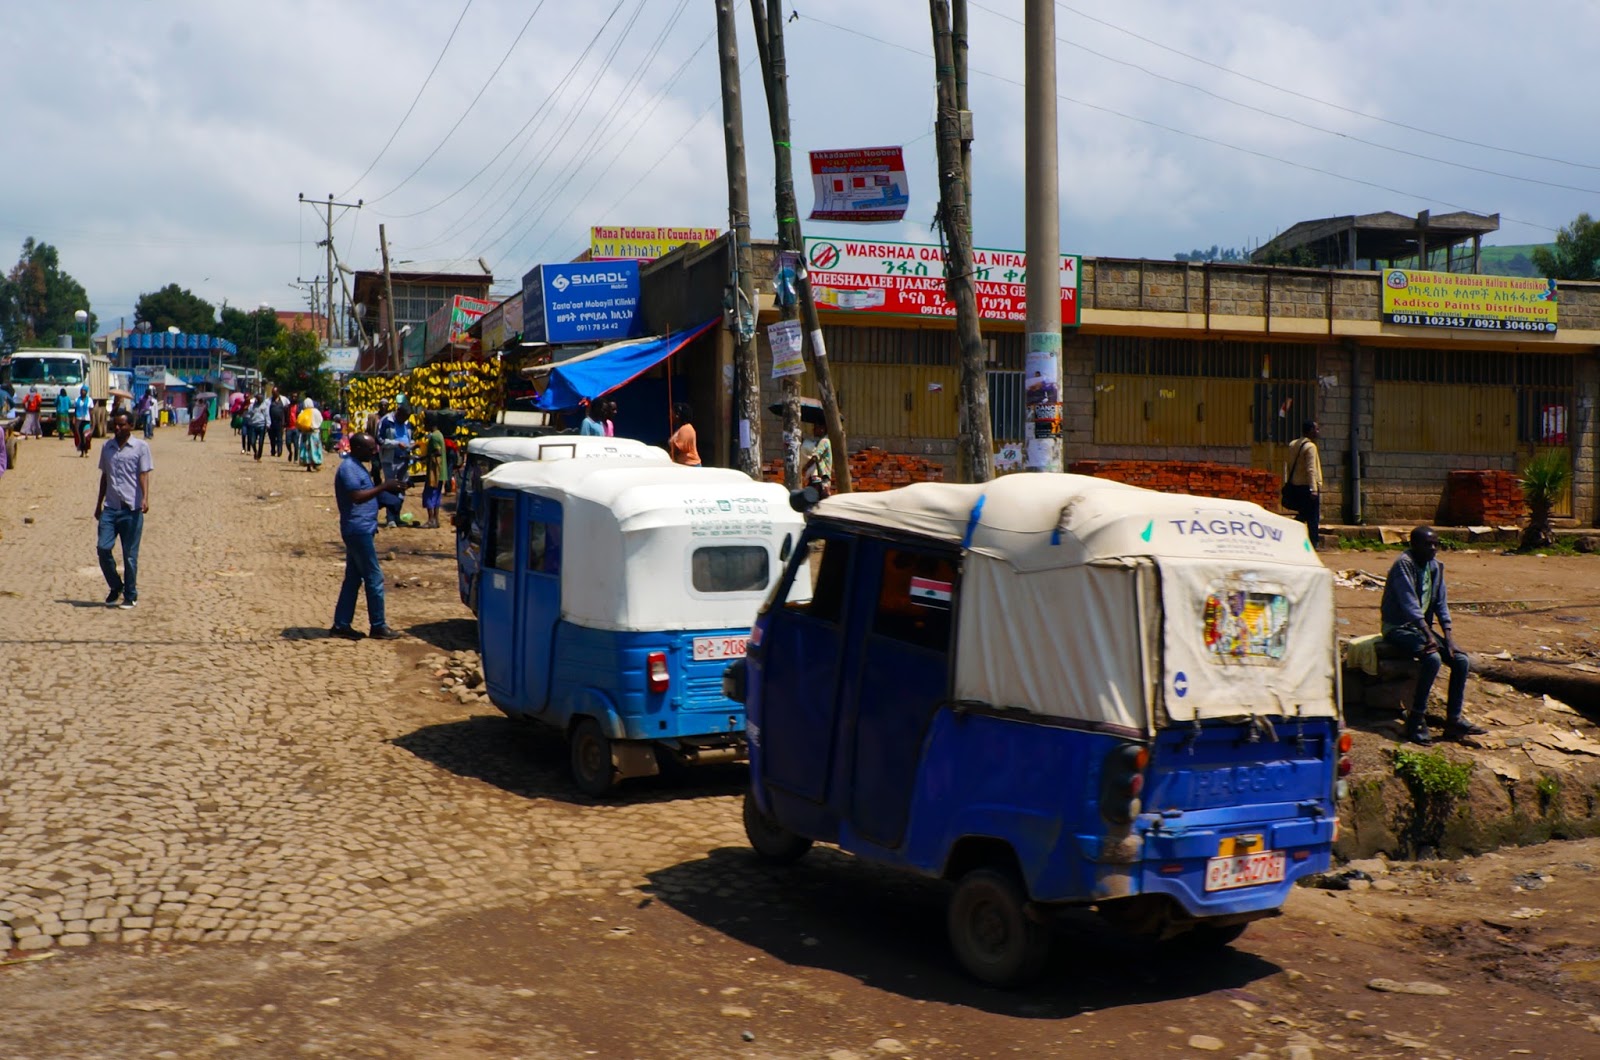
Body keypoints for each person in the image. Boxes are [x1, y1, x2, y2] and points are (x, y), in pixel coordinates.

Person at [1380, 526, 1486, 746]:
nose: (1433, 548)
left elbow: (1440, 603)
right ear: (1414, 545)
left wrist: (1448, 637)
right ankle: (1416, 719)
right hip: (1398, 627)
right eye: (1427, 544)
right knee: (1432, 659)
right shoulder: (1404, 565)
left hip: (1421, 629)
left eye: (1435, 544)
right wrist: (1428, 636)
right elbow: (1410, 605)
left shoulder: (1435, 567)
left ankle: (1453, 720)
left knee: (1460, 660)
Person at [331, 432, 404, 641]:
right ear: (358, 448)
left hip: (362, 528)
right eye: (371, 449)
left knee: (353, 579)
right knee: (374, 577)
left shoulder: (358, 466)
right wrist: (383, 487)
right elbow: (356, 496)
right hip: (358, 530)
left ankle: (341, 624)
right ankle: (378, 626)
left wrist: (386, 496)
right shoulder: (348, 468)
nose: (375, 451)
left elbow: (366, 494)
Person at [95, 410, 153, 610]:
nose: (118, 428)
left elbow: (144, 475)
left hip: (132, 509)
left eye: (122, 425)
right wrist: (98, 505)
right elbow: (105, 477)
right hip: (110, 508)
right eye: (116, 425)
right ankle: (115, 586)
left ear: (130, 426)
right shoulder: (107, 447)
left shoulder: (141, 448)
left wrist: (145, 498)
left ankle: (130, 594)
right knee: (103, 548)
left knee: (129, 555)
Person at [1283, 421, 1322, 548]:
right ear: (1310, 430)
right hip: (1308, 487)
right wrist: (1314, 489)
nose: (1317, 432)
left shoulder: (1293, 444)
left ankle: (1293, 537)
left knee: (1303, 513)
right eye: (1316, 429)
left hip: (1296, 485)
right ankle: (1313, 543)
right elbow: (1311, 469)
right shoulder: (1310, 447)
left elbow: (1289, 465)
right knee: (1312, 518)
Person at [376, 404, 413, 526]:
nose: (404, 420)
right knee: (391, 487)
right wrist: (397, 444)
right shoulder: (387, 421)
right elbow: (379, 440)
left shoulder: (408, 424)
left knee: (402, 487)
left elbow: (410, 438)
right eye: (403, 417)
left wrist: (412, 445)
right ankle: (390, 518)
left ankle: (397, 515)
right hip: (390, 459)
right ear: (398, 413)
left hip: (404, 459)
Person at [418, 411, 446, 529]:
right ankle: (436, 519)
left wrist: (424, 457)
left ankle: (430, 520)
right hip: (442, 472)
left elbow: (438, 451)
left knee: (429, 495)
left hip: (435, 471)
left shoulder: (434, 436)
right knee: (437, 495)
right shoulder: (440, 434)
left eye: (425, 423)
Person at [802, 422, 834, 497]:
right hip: (823, 477)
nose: (813, 430)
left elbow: (815, 457)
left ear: (822, 429)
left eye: (816, 428)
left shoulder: (824, 441)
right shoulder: (825, 441)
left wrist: (805, 468)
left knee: (814, 498)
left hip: (820, 476)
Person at [668, 402, 700, 466]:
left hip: (690, 465)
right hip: (684, 464)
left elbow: (678, 449)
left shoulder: (686, 429)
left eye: (672, 413)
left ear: (677, 415)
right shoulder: (680, 429)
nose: (670, 416)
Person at [298, 398, 324, 471]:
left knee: (306, 449)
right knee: (315, 448)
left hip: (305, 433)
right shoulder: (316, 412)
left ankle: (308, 465)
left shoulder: (303, 412)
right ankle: (316, 463)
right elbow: (320, 420)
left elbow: (299, 422)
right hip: (315, 433)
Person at [246, 393, 269, 461]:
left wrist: (268, 424)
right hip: (253, 425)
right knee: (252, 442)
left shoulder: (265, 406)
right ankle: (255, 452)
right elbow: (249, 414)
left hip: (262, 425)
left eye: (260, 398)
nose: (259, 400)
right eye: (258, 398)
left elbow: (267, 415)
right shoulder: (252, 406)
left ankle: (259, 455)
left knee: (261, 442)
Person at [72, 386, 94, 457]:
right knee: (80, 437)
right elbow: (75, 410)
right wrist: (74, 418)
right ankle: (82, 451)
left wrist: (92, 421)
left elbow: (91, 411)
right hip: (79, 420)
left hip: (86, 420)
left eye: (84, 391)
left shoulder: (90, 400)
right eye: (81, 390)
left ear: (86, 392)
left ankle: (86, 451)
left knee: (86, 436)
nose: (82, 392)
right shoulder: (77, 400)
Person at [267, 386, 286, 457]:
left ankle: (279, 450)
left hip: (280, 422)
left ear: (278, 392)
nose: (274, 394)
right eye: (273, 393)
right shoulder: (269, 401)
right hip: (271, 422)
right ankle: (273, 450)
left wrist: (284, 422)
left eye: (275, 392)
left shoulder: (283, 400)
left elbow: (286, 410)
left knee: (279, 438)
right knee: (272, 438)